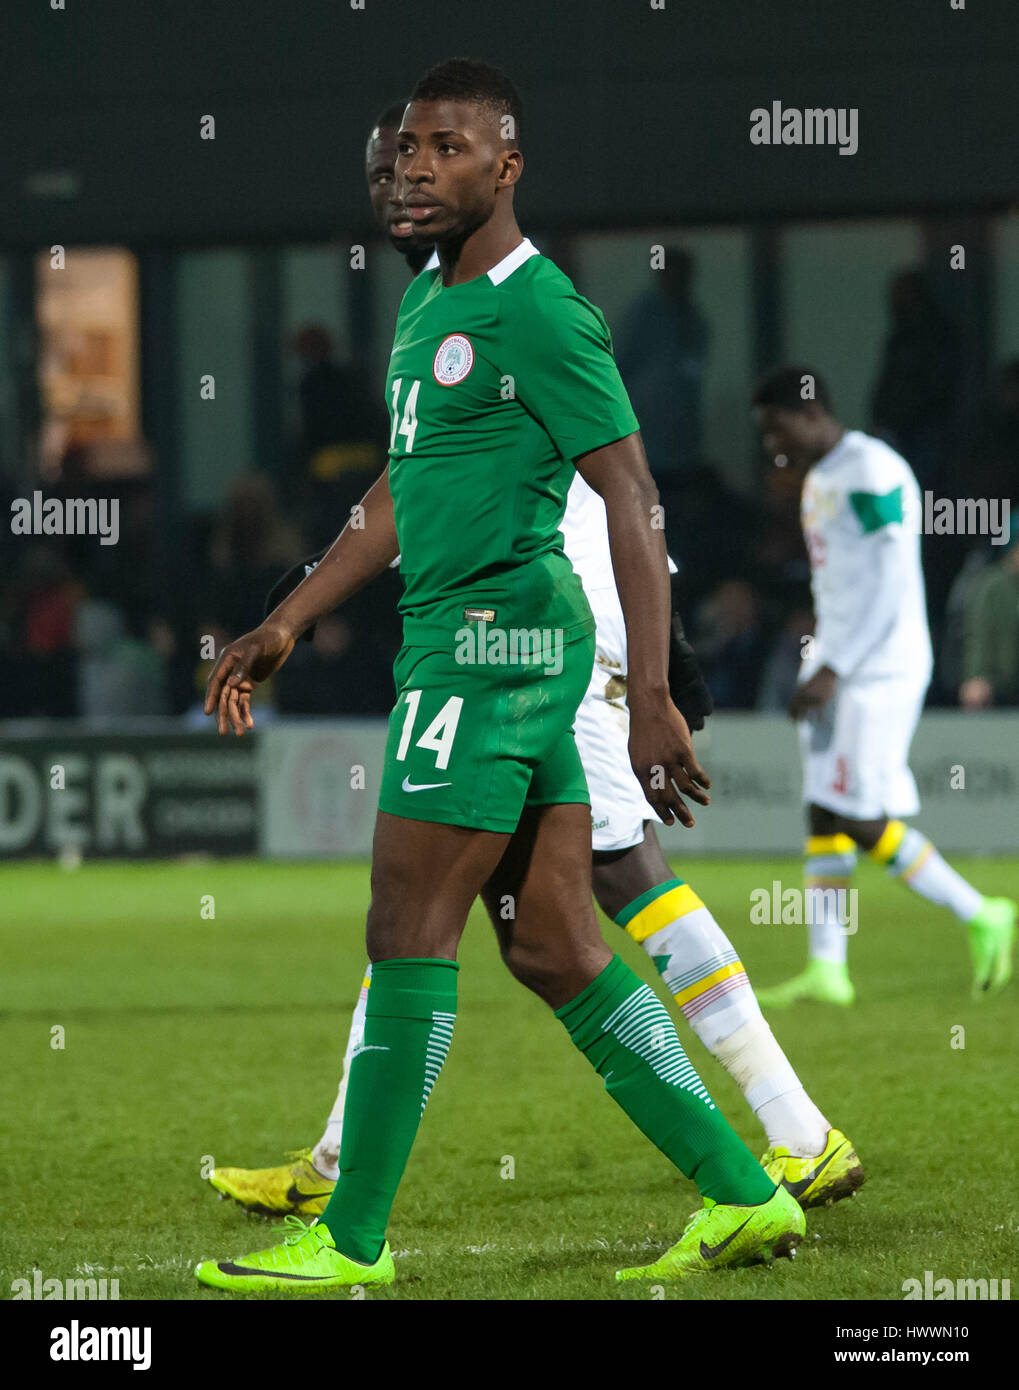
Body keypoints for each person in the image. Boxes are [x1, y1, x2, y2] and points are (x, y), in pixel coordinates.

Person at [195, 59, 805, 1292]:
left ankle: (346, 1235)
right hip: (497, 648)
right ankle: (745, 1194)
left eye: (439, 148)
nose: (406, 168)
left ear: (505, 165)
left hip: (488, 653)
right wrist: (289, 618)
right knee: (555, 949)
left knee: (404, 926)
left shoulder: (538, 311)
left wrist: (648, 699)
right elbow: (396, 495)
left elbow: (630, 494)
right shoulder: (426, 308)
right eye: (394, 153)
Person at [751, 365, 1016, 1009]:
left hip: (882, 668)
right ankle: (827, 969)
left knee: (856, 814)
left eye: (775, 427)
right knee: (823, 808)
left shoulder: (872, 471)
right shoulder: (820, 481)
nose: (770, 444)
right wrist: (823, 664)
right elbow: (842, 585)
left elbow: (892, 577)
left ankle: (982, 911)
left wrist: (835, 669)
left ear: (811, 412)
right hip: (840, 666)